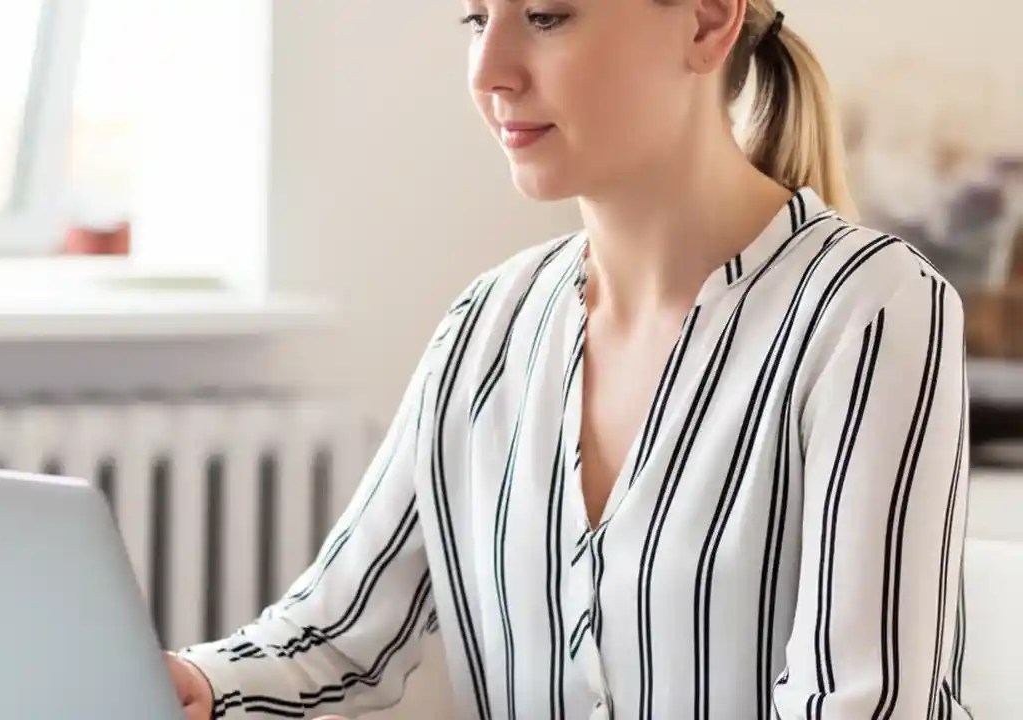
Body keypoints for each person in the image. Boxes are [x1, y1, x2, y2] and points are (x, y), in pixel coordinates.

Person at [166, 0, 972, 717]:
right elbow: (335, 636)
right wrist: (195, 684)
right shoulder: (486, 326)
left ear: (705, 22)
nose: (489, 72)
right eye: (477, 19)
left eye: (547, 17)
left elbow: (862, 702)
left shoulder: (871, 311)